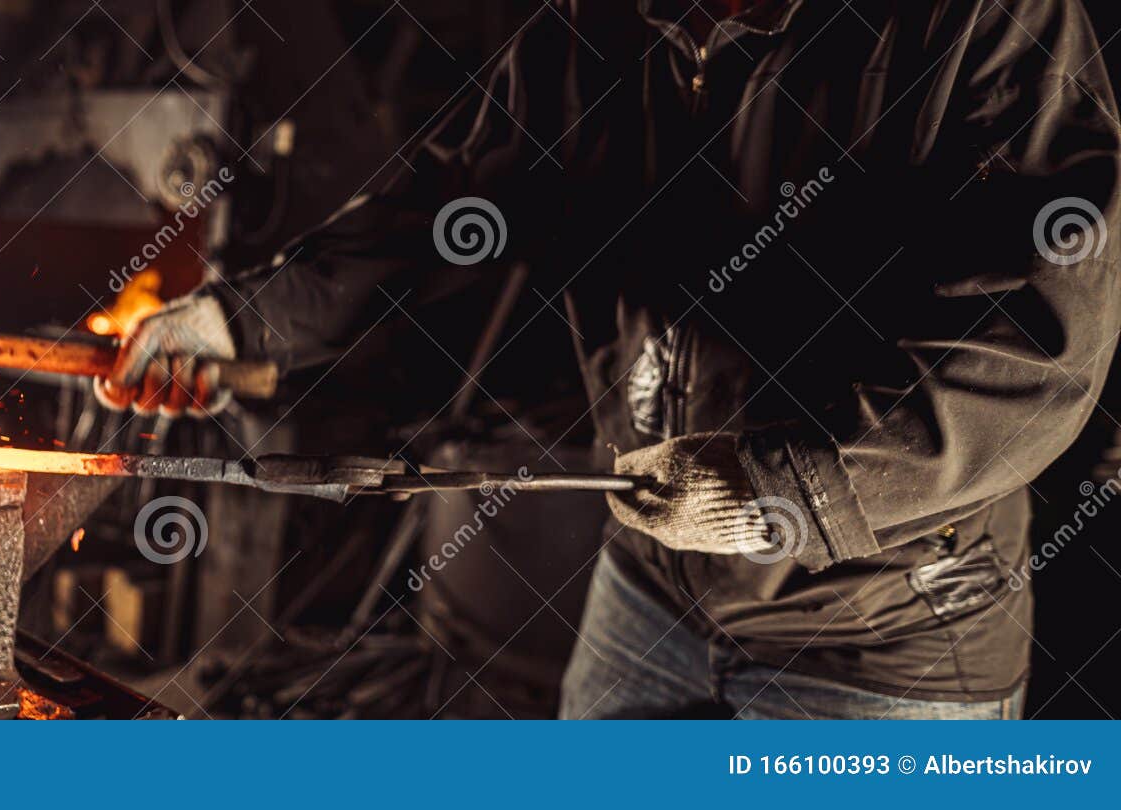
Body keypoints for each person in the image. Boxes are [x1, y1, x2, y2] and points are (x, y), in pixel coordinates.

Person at [98, 0, 1121, 719]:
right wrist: (246, 316)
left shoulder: (986, 22)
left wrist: (785, 486)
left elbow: (1037, 341)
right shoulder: (598, 24)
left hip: (881, 625)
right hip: (652, 586)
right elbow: (454, 204)